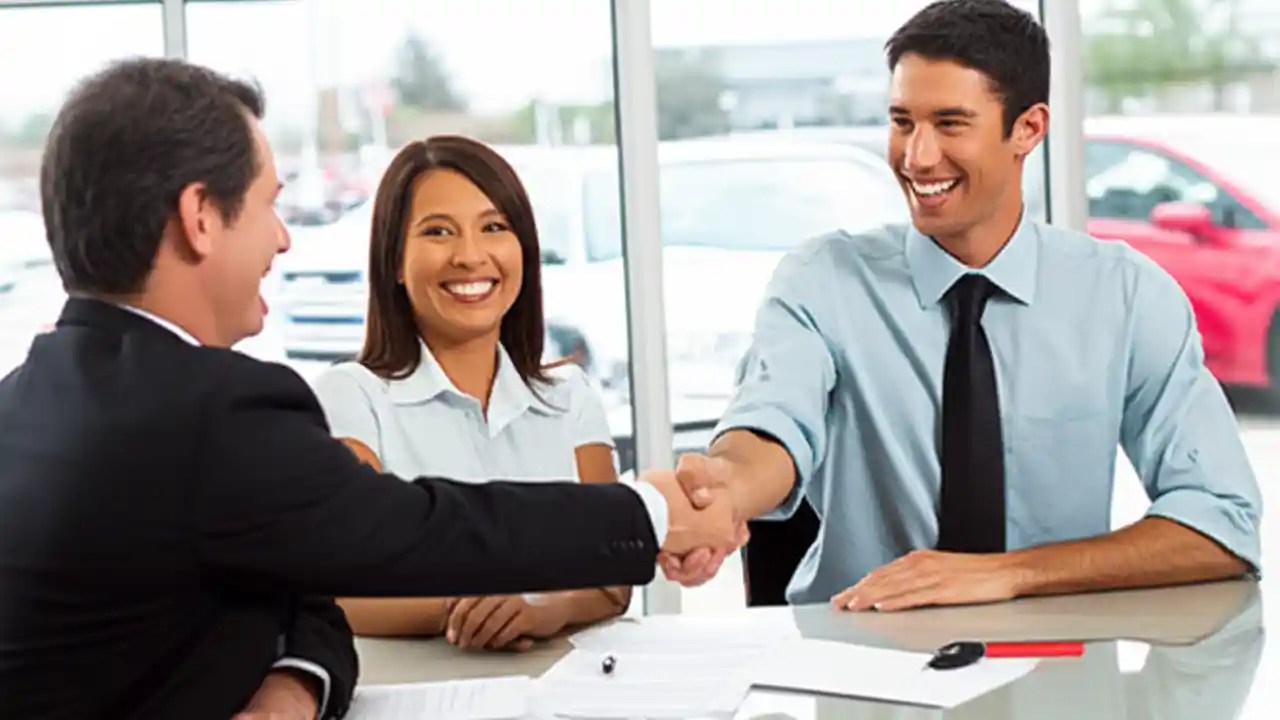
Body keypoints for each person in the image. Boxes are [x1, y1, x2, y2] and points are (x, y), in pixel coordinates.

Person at [0, 58, 739, 720]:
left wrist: (290, 690)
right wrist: (655, 509)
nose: (283, 238)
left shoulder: (23, 405)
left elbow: (309, 598)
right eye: (268, 205)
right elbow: (415, 532)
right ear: (200, 220)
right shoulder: (213, 410)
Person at [663, 0, 1261, 610]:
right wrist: (723, 492)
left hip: (1057, 671)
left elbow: (1222, 524)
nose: (916, 157)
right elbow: (772, 426)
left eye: (949, 124)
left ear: (1027, 129)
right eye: (902, 122)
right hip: (864, 664)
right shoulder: (825, 280)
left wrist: (1013, 573)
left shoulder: (1126, 296)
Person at [311, 135, 630, 650]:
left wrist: (548, 607)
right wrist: (475, 608)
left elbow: (613, 576)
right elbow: (340, 586)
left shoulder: (568, 395)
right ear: (394, 260)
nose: (470, 256)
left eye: (494, 228)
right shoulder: (351, 396)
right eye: (438, 232)